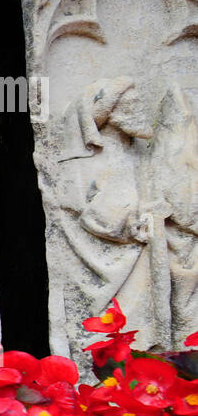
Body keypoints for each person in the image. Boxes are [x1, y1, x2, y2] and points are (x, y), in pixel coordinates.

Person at [53, 77, 167, 354]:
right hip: (118, 265)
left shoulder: (135, 157)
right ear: (108, 113)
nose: (141, 109)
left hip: (141, 260)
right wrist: (138, 219)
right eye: (131, 104)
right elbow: (94, 216)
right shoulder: (83, 164)